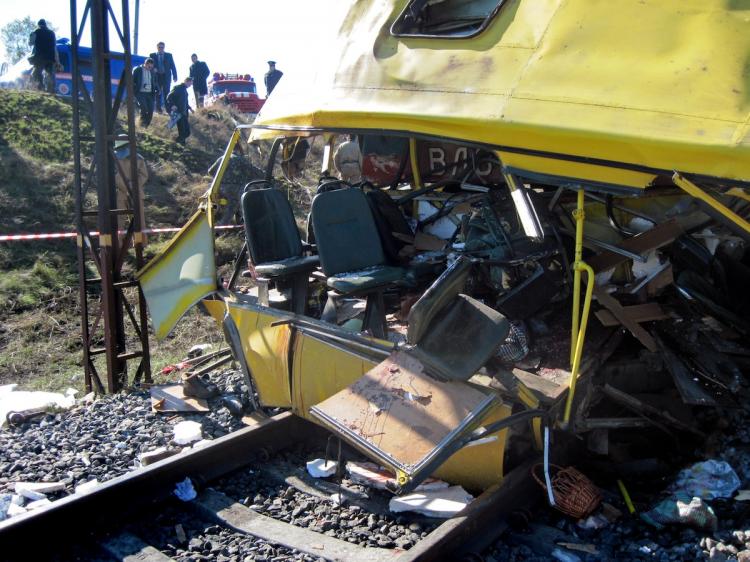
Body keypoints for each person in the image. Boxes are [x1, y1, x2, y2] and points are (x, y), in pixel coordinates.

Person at [28, 19, 58, 93]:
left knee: (36, 73)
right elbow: (55, 48)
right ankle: (51, 90)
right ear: (45, 25)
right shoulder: (52, 33)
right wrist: (57, 61)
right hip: (50, 58)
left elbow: (30, 43)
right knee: (50, 74)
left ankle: (40, 88)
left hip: (39, 57)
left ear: (38, 25)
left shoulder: (36, 32)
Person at [149, 41, 177, 113]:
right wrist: (153, 69)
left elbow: (172, 66)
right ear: (157, 47)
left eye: (162, 47)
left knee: (167, 93)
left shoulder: (169, 55)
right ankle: (158, 109)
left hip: (166, 76)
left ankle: (167, 109)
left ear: (164, 48)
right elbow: (149, 65)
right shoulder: (152, 55)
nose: (161, 48)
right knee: (158, 92)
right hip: (157, 76)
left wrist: (175, 76)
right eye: (159, 47)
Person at [166, 77, 193, 144]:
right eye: (190, 83)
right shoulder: (178, 88)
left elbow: (185, 102)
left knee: (187, 132)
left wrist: (190, 108)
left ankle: (178, 143)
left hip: (184, 114)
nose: (191, 85)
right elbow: (169, 97)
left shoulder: (185, 90)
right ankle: (177, 144)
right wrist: (172, 105)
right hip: (178, 113)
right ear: (187, 81)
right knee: (183, 132)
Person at [132, 58, 157, 127]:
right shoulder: (137, 70)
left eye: (151, 67)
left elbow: (154, 82)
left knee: (150, 111)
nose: (150, 68)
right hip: (140, 93)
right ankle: (141, 123)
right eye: (149, 66)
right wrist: (133, 91)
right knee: (144, 108)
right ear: (145, 64)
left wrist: (157, 89)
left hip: (149, 94)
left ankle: (146, 125)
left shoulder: (152, 72)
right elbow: (132, 80)